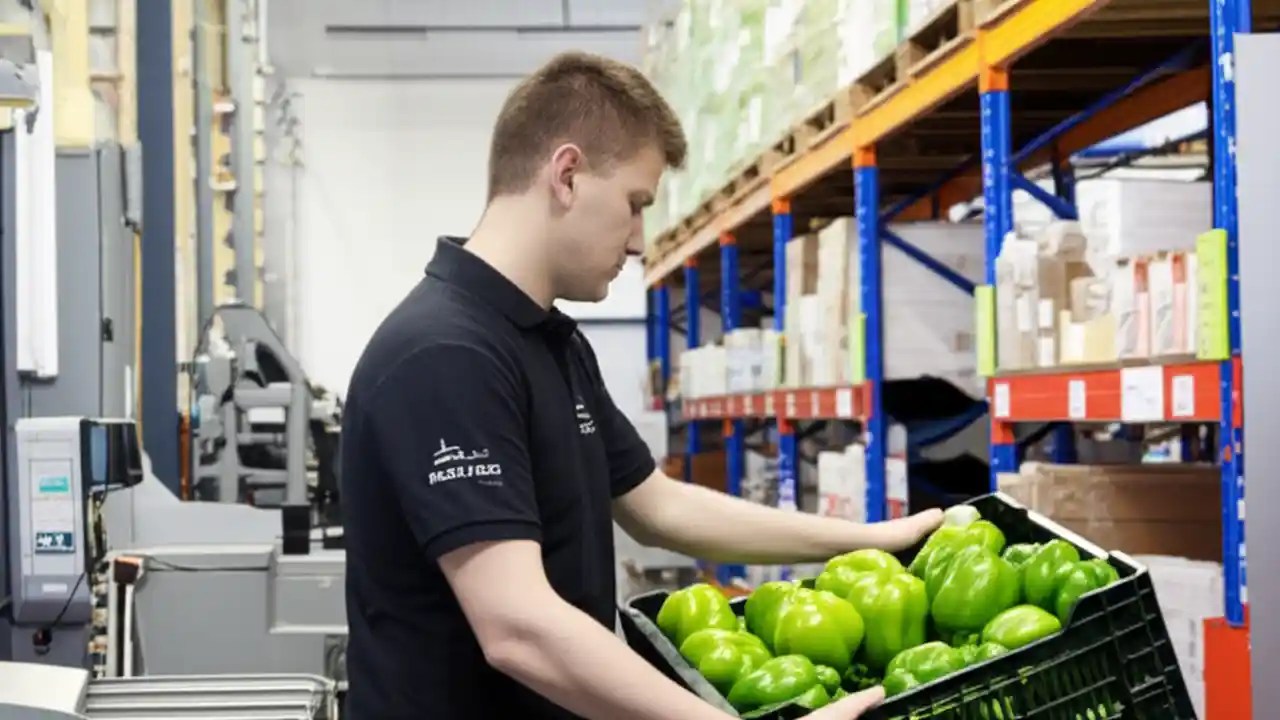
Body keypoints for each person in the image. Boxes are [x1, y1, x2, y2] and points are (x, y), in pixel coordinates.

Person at [339, 50, 945, 720]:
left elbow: (660, 508)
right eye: (635, 204)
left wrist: (869, 538)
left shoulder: (551, 340)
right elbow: (516, 627)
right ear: (566, 175)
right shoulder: (444, 353)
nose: (639, 242)